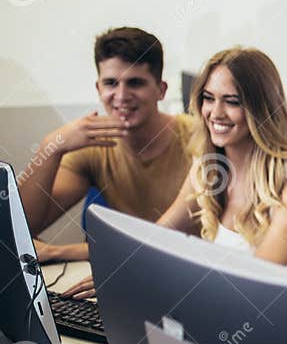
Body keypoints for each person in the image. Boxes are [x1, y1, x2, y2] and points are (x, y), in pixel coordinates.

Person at [62, 48, 287, 299]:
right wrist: (114, 270)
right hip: (225, 314)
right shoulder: (209, 171)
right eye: (209, 98)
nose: (215, 113)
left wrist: (145, 278)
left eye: (232, 101)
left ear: (261, 109)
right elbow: (153, 239)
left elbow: (256, 284)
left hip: (276, 326)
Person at [18, 27, 195, 262]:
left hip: (188, 275)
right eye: (111, 83)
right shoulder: (91, 145)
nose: (121, 95)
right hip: (128, 272)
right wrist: (51, 146)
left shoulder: (199, 138)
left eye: (135, 83)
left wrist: (61, 251)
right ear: (98, 88)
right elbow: (25, 228)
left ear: (161, 90)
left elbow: (191, 243)